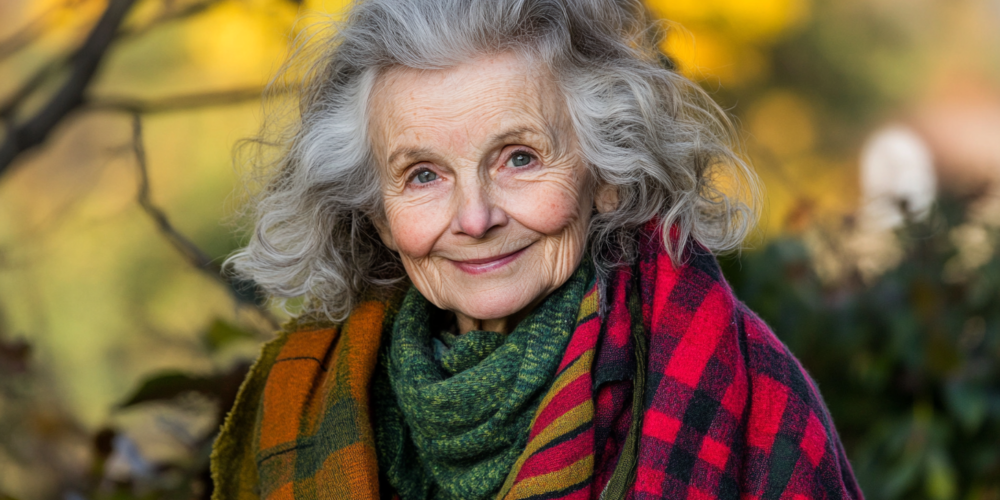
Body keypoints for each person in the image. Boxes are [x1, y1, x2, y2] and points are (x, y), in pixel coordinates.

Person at [211, 0, 864, 498]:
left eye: (519, 157)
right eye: (423, 175)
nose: (475, 217)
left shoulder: (743, 383)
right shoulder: (304, 398)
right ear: (378, 216)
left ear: (605, 177)